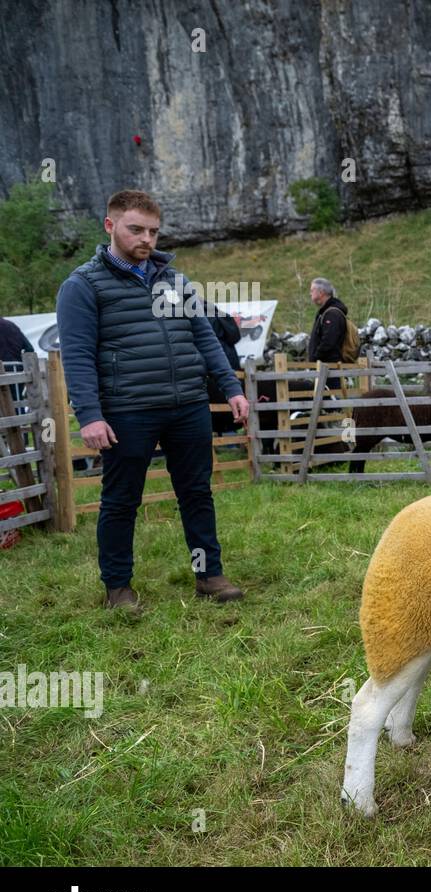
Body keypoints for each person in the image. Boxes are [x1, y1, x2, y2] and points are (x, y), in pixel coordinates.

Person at [55, 189, 250, 610]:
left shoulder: (176, 281)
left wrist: (231, 388)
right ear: (110, 226)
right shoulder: (83, 285)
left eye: (154, 232)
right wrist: (89, 415)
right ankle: (118, 587)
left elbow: (204, 337)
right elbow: (77, 356)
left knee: (196, 493)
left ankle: (208, 574)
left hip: (188, 406)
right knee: (122, 500)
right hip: (128, 411)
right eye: (136, 229)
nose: (146, 239)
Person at [306, 278, 348, 363]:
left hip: (329, 368)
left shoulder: (332, 314)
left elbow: (328, 341)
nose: (310, 294)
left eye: (312, 290)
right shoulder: (326, 312)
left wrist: (316, 357)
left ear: (321, 293)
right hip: (324, 367)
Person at [0, 316, 35, 404]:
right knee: (17, 401)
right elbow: (29, 348)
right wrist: (21, 364)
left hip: (2, 371)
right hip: (16, 370)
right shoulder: (12, 326)